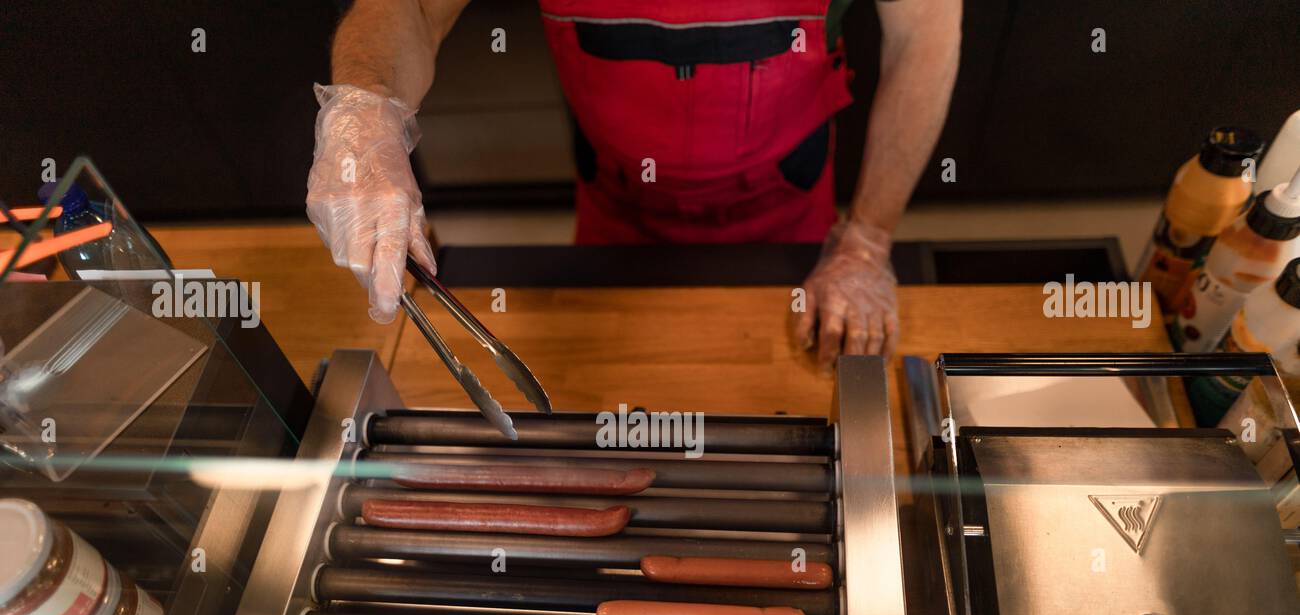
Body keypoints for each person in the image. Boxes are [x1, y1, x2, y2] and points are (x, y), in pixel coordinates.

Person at [307, 0, 960, 365]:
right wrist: (362, 110)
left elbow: (925, 32)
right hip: (617, 208)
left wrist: (868, 242)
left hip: (790, 206)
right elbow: (413, 10)